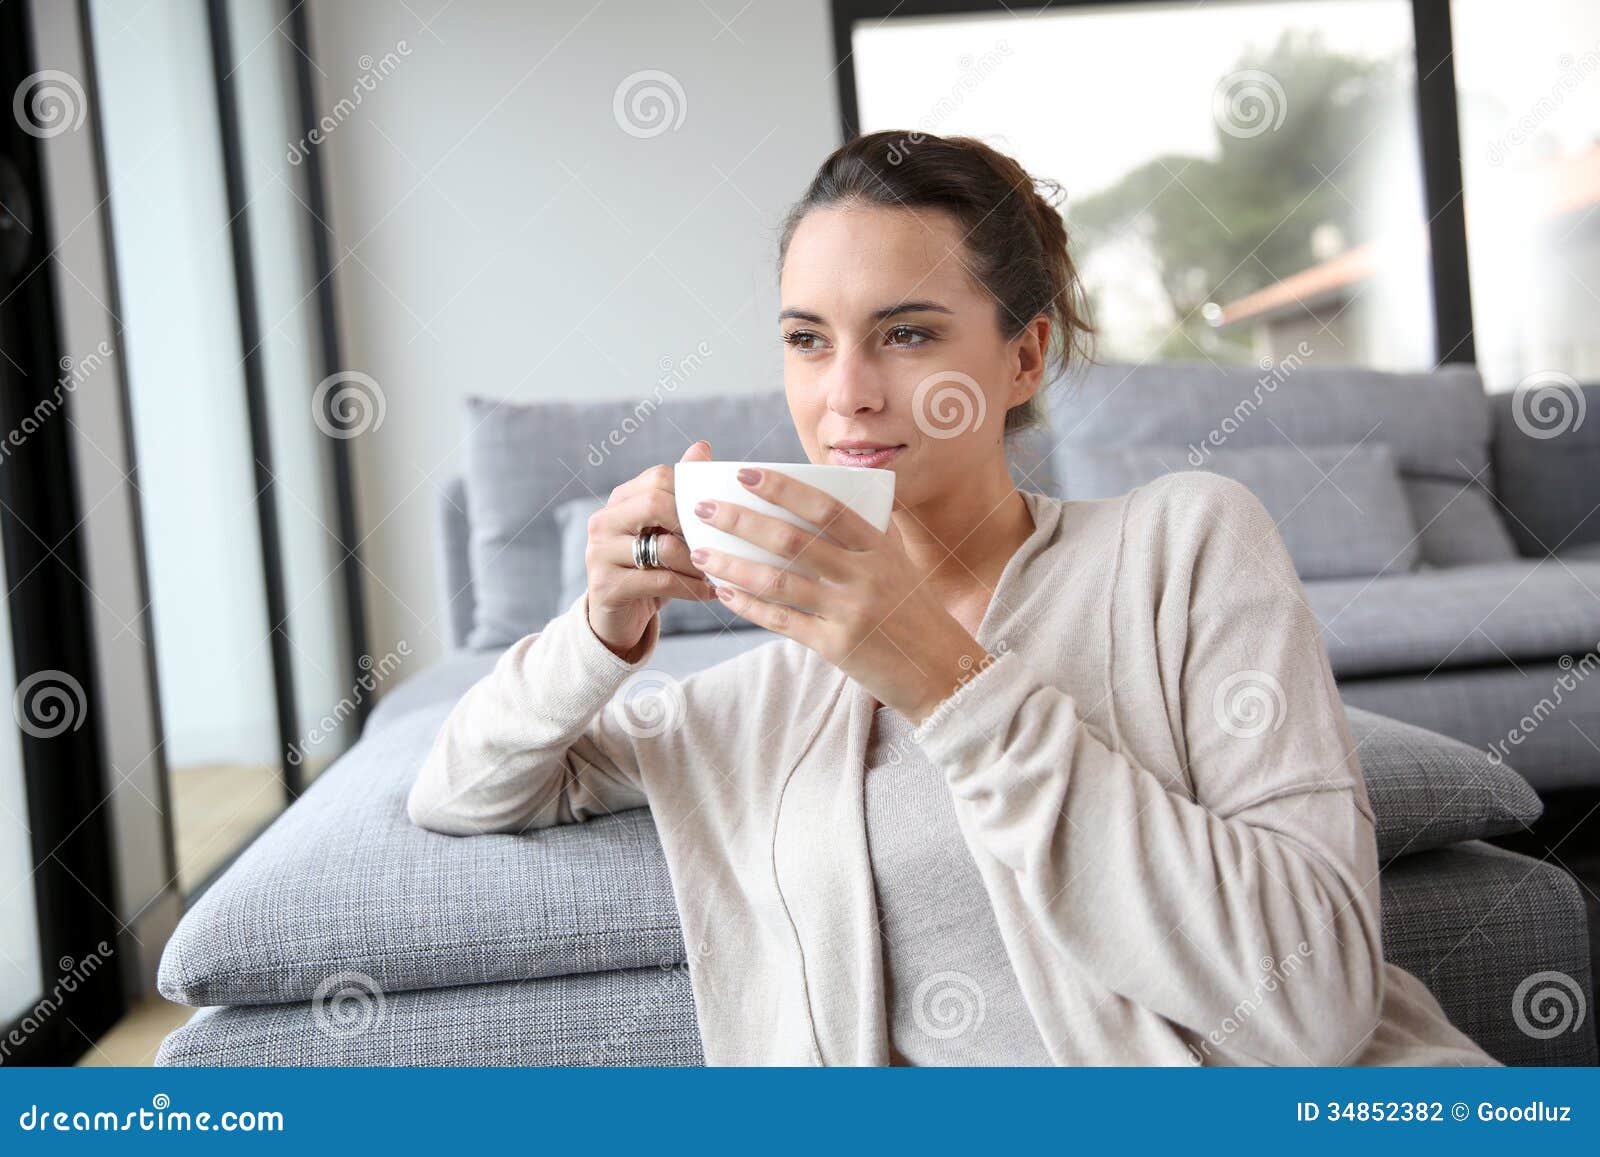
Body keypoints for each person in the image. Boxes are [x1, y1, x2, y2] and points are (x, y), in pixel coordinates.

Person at [407, 130, 1497, 1067]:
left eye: (907, 332)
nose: (846, 395)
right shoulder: (764, 699)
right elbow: (460, 787)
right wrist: (597, 631)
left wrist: (941, 673)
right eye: (806, 339)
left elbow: (1313, 1007)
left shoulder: (1184, 542)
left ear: (1023, 356)